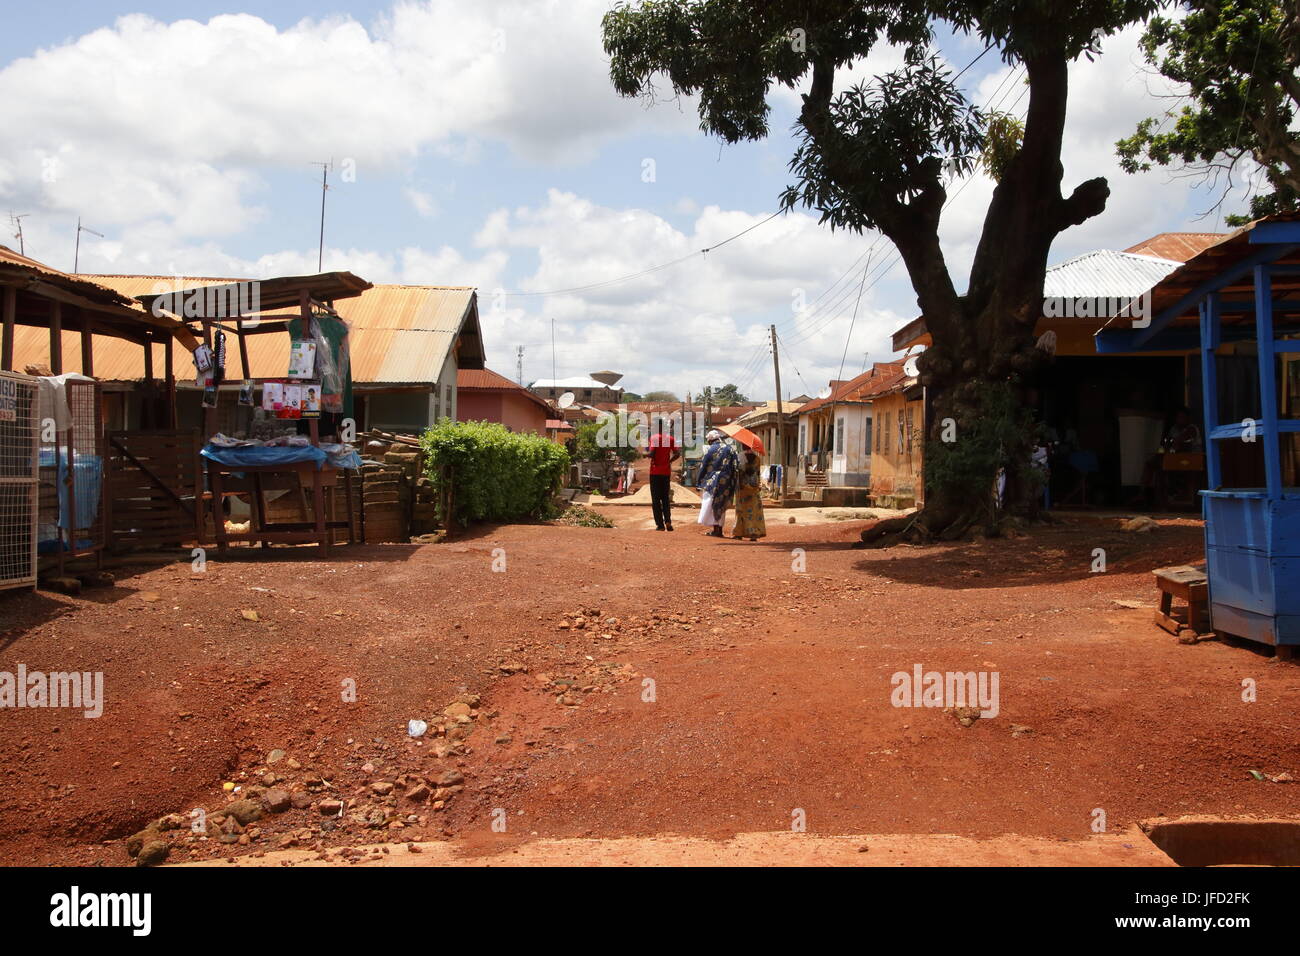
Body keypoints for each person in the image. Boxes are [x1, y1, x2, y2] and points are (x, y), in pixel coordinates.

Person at [696, 429, 739, 537]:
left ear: (710, 440)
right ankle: (719, 529)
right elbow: (736, 465)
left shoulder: (710, 450)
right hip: (726, 481)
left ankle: (716, 530)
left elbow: (703, 466)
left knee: (712, 503)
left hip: (713, 481)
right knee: (722, 504)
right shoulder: (730, 449)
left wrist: (699, 482)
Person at [645, 422, 680, 531]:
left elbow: (651, 454)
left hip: (655, 472)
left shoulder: (654, 438)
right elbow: (677, 454)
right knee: (665, 498)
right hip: (666, 472)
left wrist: (643, 454)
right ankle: (668, 521)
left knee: (656, 500)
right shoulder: (670, 439)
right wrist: (669, 461)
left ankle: (660, 525)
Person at [732, 449, 767, 541]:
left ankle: (738, 533)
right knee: (754, 512)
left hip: (743, 489)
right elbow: (758, 473)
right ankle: (753, 533)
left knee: (740, 511)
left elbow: (738, 474)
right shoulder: (757, 459)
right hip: (753, 489)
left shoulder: (740, 458)